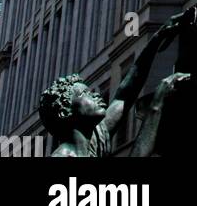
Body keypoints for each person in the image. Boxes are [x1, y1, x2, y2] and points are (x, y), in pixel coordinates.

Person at [40, 16, 186, 157]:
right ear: (65, 111)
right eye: (85, 93)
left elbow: (125, 95)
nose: (96, 95)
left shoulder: (94, 139)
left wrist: (157, 38)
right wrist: (156, 105)